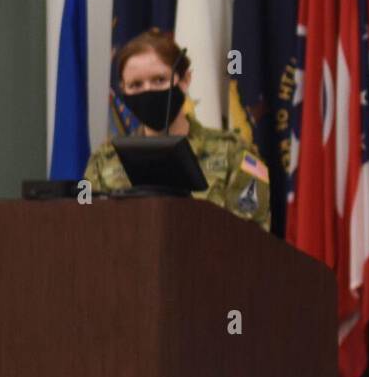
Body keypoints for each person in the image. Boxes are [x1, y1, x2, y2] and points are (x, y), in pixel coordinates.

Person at [84, 28, 270, 231]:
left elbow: (251, 240)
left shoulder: (235, 154)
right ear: (123, 89)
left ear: (185, 80)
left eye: (159, 80)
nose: (148, 91)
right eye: (136, 84)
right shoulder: (104, 159)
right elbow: (86, 230)